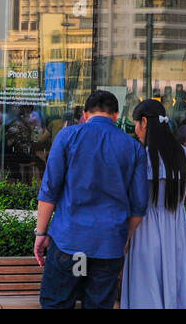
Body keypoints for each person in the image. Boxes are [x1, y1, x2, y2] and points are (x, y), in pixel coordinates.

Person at [35, 89, 148, 309]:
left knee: (56, 303)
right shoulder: (133, 147)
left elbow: (49, 190)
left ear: (85, 114)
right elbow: (139, 205)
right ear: (116, 115)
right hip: (109, 244)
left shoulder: (67, 137)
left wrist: (41, 233)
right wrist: (125, 237)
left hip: (69, 241)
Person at [120, 98, 186, 308]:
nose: (136, 131)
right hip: (176, 230)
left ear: (144, 122)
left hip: (145, 229)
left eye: (136, 125)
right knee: (178, 284)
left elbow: (130, 197)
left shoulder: (138, 157)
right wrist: (176, 196)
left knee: (146, 289)